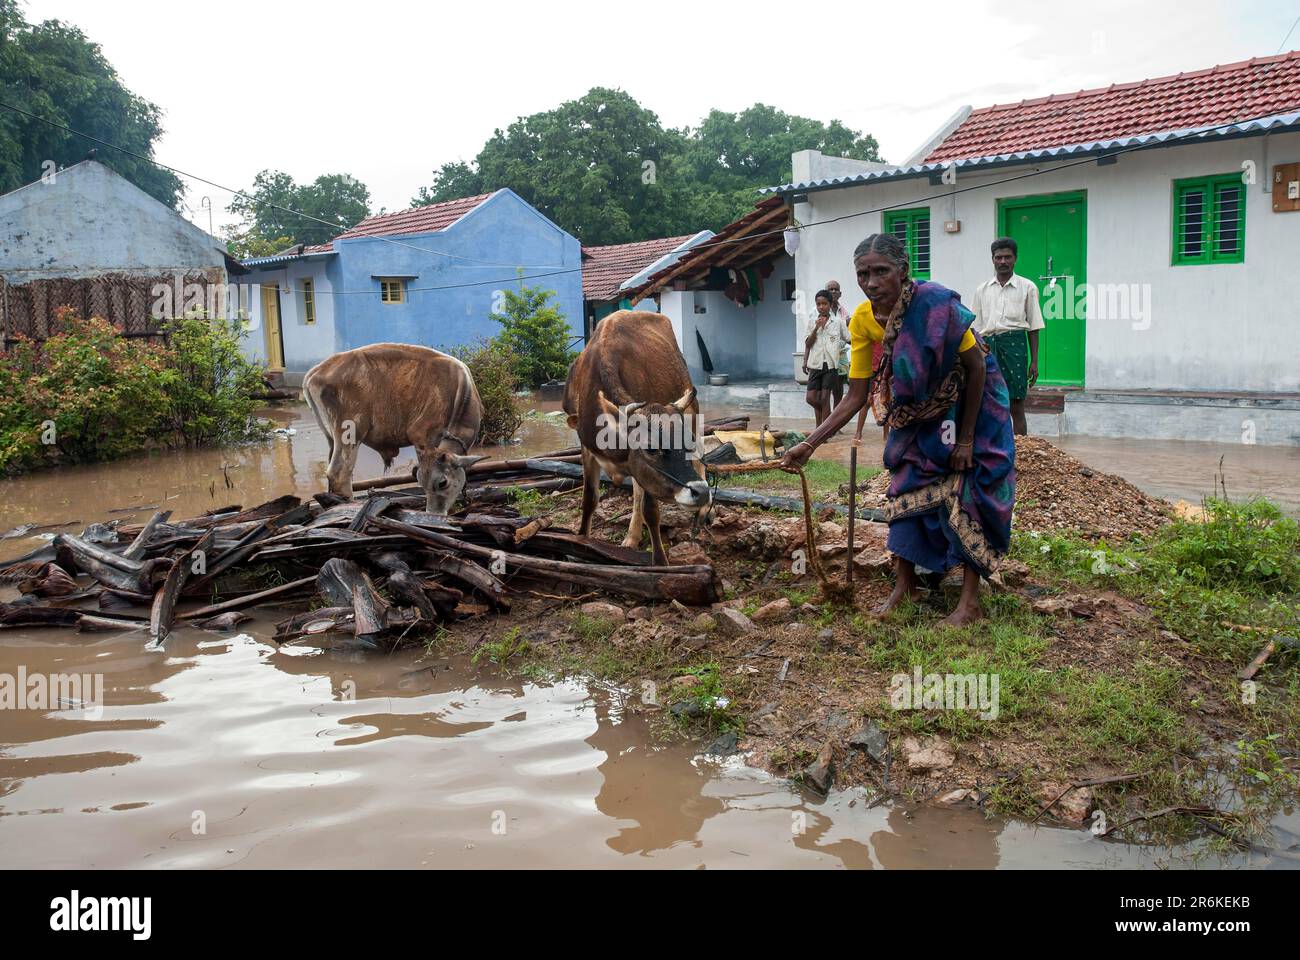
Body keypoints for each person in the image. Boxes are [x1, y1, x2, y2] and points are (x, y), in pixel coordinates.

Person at [782, 233, 1016, 626]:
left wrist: (966, 439)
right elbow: (855, 395)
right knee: (904, 480)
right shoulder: (860, 319)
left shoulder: (937, 304)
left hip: (973, 402)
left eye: (881, 272)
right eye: (863, 274)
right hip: (917, 410)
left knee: (972, 484)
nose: (871, 282)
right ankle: (904, 585)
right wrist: (810, 444)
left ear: (903, 271)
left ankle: (970, 603)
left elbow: (975, 367)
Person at [970, 237, 1044, 435]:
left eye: (1007, 257)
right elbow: (974, 329)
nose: (1003, 261)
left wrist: (1034, 361)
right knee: (987, 402)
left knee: (1016, 403)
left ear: (1015, 259)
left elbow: (1034, 327)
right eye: (998, 257)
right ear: (992, 259)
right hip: (987, 348)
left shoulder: (1028, 287)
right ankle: (993, 451)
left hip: (1015, 348)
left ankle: (1021, 452)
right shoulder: (981, 290)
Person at [802, 289, 849, 427]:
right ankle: (828, 420)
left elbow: (848, 338)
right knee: (811, 398)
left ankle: (821, 430)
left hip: (831, 365)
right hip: (815, 364)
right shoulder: (812, 321)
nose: (821, 306)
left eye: (824, 303)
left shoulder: (838, 322)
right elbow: (808, 343)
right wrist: (817, 328)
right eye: (818, 304)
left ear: (830, 304)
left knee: (825, 397)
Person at [826, 280, 852, 410]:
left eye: (836, 289)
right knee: (825, 390)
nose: (833, 292)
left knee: (838, 390)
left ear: (840, 293)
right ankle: (825, 421)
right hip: (826, 354)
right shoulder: (820, 310)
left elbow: (846, 332)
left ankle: (835, 422)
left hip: (841, 353)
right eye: (830, 289)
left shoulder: (843, 311)